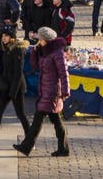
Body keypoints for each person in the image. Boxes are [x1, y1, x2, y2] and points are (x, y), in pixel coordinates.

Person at [13, 26, 70, 158]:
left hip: (52, 92)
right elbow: (35, 66)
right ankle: (63, 149)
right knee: (56, 120)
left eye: (39, 38)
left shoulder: (57, 53)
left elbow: (63, 73)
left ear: (45, 39)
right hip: (45, 90)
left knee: (39, 119)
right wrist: (35, 51)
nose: (38, 40)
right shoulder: (44, 51)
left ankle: (26, 147)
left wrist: (66, 91)